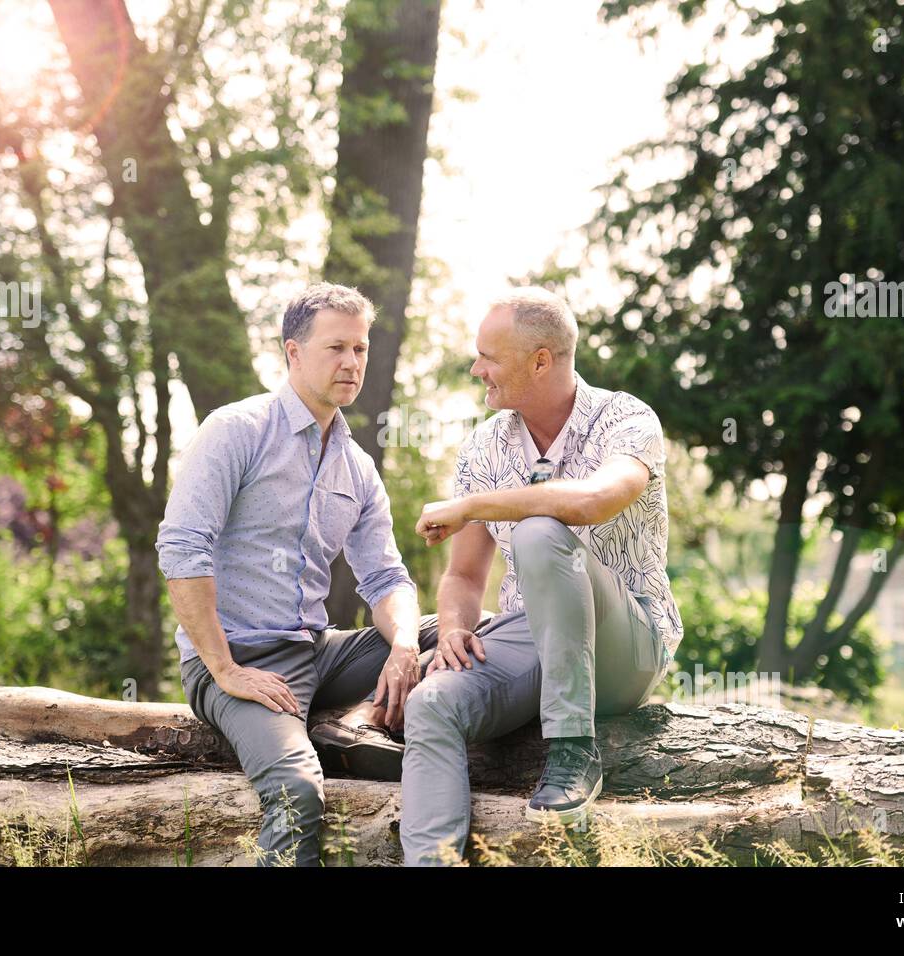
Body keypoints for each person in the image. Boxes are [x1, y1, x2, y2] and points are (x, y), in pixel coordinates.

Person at [357, 286, 683, 865]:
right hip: (532, 635)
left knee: (539, 528)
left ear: (540, 360)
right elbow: (462, 576)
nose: (476, 368)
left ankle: (572, 750)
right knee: (433, 704)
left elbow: (589, 503)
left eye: (489, 356)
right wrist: (455, 627)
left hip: (624, 646)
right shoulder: (485, 445)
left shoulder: (626, 419)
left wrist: (470, 507)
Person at [155, 282, 433, 866]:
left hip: (318, 651)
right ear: (293, 353)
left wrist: (405, 644)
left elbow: (386, 579)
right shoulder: (235, 431)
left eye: (360, 349)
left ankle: (357, 725)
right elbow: (182, 549)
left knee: (460, 633)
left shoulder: (356, 466)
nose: (352, 362)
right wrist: (224, 668)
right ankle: (329, 741)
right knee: (297, 792)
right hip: (242, 659)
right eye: (336, 348)